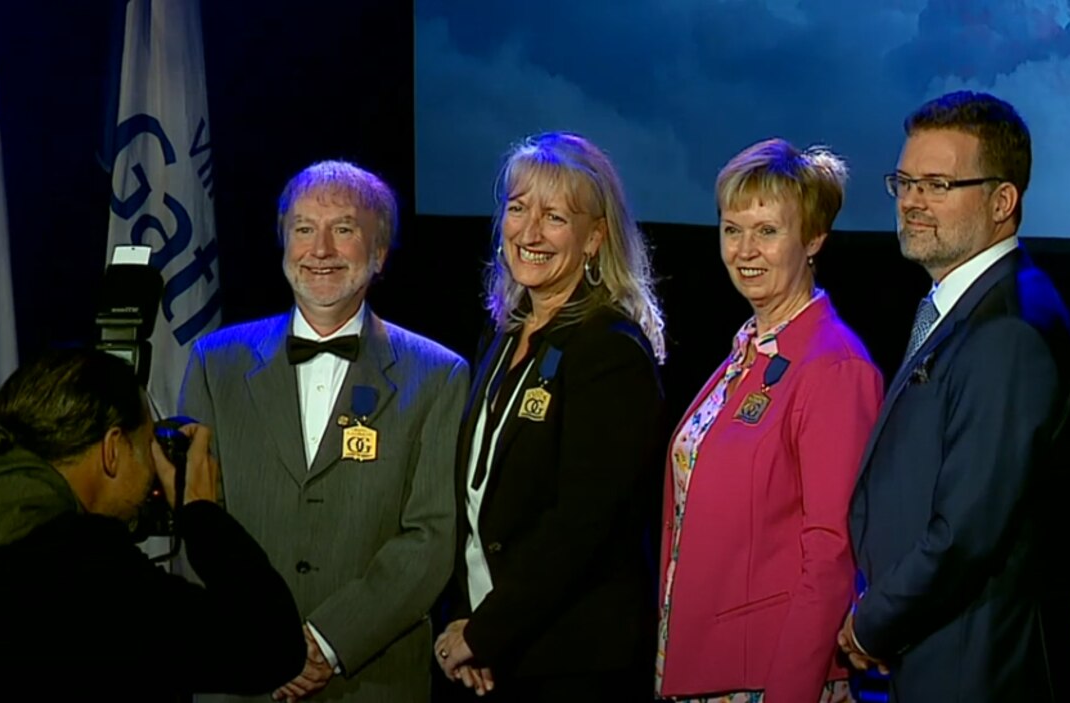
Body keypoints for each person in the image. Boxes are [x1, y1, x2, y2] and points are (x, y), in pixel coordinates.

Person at [0, 348, 306, 699]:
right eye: (145, 445)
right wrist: (202, 512)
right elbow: (269, 648)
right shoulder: (82, 567)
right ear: (111, 450)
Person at [178, 160, 469, 703]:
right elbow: (197, 520)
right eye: (304, 229)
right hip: (240, 679)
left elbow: (432, 535)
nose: (321, 250)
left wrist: (327, 642)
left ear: (379, 253)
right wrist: (260, 646)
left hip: (372, 682)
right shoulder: (215, 363)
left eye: (344, 229)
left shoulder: (438, 374)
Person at [840, 91, 1070, 701]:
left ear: (1003, 202)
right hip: (934, 652)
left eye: (938, 184)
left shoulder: (1008, 331)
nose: (914, 202)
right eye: (905, 181)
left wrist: (872, 623)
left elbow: (966, 535)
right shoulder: (961, 307)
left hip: (975, 667)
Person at [432, 131, 666, 702]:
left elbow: (581, 527)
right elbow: (476, 499)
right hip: (493, 658)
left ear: (594, 238)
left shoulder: (610, 350)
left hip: (571, 663)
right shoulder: (505, 332)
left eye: (555, 216)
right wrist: (469, 628)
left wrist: (484, 633)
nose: (529, 232)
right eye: (517, 209)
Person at [655, 138, 883, 702]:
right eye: (732, 229)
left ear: (813, 239)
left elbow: (831, 554)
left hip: (767, 679)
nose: (744, 249)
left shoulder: (833, 365)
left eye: (767, 231)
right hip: (700, 666)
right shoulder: (748, 352)